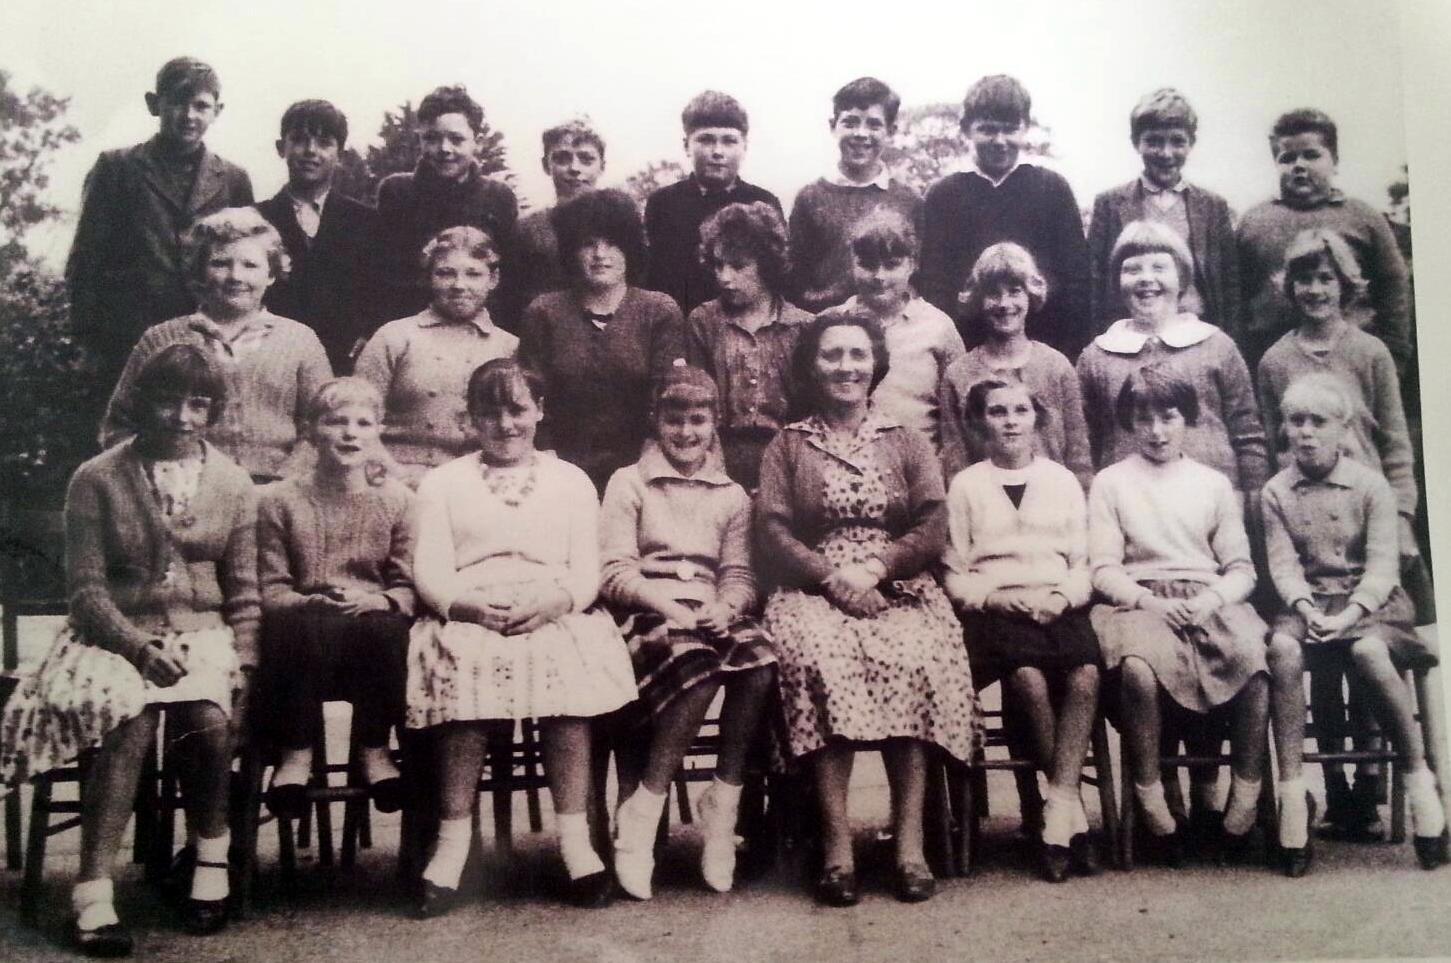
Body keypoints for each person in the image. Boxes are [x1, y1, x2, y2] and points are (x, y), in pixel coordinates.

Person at [0, 345, 258, 954]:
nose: (182, 416)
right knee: (130, 718)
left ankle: (209, 862)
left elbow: (245, 592)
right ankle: (93, 893)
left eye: (198, 403)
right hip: (111, 633)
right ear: (140, 402)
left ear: (214, 411)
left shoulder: (234, 484)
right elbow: (87, 593)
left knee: (207, 721)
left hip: (203, 633)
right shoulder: (96, 478)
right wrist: (139, 648)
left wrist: (246, 662)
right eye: (167, 400)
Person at [756, 312, 981, 907]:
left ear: (876, 363)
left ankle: (910, 846)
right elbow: (773, 530)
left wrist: (877, 568)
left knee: (916, 656)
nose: (846, 367)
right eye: (832, 355)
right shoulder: (788, 444)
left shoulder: (904, 439)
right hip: (812, 587)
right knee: (821, 658)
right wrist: (832, 578)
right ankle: (838, 849)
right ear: (812, 366)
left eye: (857, 354)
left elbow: (932, 524)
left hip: (896, 583)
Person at [407, 359, 636, 915]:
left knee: (565, 679)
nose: (505, 424)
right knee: (463, 667)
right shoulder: (442, 483)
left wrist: (558, 600)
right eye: (490, 412)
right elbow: (429, 568)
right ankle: (452, 846)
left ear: (540, 411)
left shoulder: (570, 480)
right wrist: (463, 605)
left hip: (552, 607)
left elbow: (586, 569)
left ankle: (576, 844)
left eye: (517, 409)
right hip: (470, 608)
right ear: (470, 418)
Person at [1256, 229, 1421, 838]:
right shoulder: (1274, 360)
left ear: (1345, 284)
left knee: (1367, 648)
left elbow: (1395, 444)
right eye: (1304, 278)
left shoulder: (1370, 352)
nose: (1315, 289)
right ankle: (1338, 789)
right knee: (1317, 664)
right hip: (1303, 523)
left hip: (1368, 517)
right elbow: (1274, 447)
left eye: (1325, 278)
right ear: (1290, 287)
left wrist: (1402, 520)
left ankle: (1373, 780)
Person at [599, 367, 777, 898]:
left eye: (698, 420)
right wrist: (667, 606)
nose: (686, 432)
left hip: (709, 612)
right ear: (655, 421)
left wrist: (727, 606)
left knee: (760, 663)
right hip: (646, 613)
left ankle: (723, 800)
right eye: (674, 420)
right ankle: (645, 805)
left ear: (714, 421)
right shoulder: (629, 482)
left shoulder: (731, 495)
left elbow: (739, 574)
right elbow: (614, 571)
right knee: (699, 670)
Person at [1261, 373, 1445, 873]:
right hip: (1308, 603)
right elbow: (1283, 565)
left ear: (1343, 429)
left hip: (1372, 605)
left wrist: (1350, 613)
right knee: (1281, 650)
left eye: (1318, 421)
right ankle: (1293, 798)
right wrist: (1306, 608)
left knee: (1368, 652)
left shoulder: (1370, 486)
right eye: (1296, 421)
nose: (1306, 432)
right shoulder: (1276, 491)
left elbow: (1384, 567)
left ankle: (1419, 782)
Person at [1087, 365, 1270, 863]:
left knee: (1252, 660)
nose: (1156, 430)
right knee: (1139, 669)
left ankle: (1242, 802)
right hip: (1139, 600)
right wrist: (1149, 602)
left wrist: (1211, 600)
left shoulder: (1212, 484)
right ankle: (1153, 804)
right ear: (1128, 421)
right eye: (1143, 417)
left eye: (1168, 417)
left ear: (1187, 418)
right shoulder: (1111, 482)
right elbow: (1103, 569)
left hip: (1207, 598)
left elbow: (1241, 569)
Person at [942, 379, 1100, 882]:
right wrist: (990, 597)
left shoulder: (1061, 481)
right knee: (1027, 678)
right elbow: (954, 572)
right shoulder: (967, 485)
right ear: (979, 422)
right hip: (996, 612)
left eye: (1020, 410)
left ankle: (1057, 807)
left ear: (1037, 418)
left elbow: (1083, 563)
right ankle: (1069, 819)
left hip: (1056, 603)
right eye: (997, 411)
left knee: (1086, 675)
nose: (1010, 421)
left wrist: (1062, 598)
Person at [255, 378, 415, 820]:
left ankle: (374, 749)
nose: (350, 434)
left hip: (368, 639)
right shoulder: (278, 500)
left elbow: (406, 586)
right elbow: (271, 589)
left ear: (379, 430)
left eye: (363, 423)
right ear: (310, 430)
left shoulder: (399, 501)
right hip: (302, 640)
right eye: (335, 422)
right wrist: (307, 602)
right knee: (299, 625)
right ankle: (296, 754)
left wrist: (380, 600)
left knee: (387, 629)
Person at [100, 207, 333, 484]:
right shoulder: (161, 339)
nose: (236, 276)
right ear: (200, 272)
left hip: (275, 491)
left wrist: (285, 485)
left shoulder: (300, 341)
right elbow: (118, 426)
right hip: (186, 491)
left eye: (250, 265)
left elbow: (324, 424)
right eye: (220, 264)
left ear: (271, 274)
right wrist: (161, 479)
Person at [65, 56, 254, 382]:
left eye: (201, 106)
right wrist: (87, 340)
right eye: (178, 102)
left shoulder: (233, 179)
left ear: (217, 111)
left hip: (206, 334)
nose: (189, 115)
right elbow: (86, 258)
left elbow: (248, 261)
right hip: (126, 338)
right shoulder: (117, 167)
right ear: (154, 104)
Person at [1077, 221, 1267, 497]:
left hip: (1210, 502)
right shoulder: (1097, 357)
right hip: (1128, 503)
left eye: (1159, 267)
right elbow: (1083, 444)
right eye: (1132, 269)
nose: (1146, 278)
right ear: (1118, 281)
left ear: (1182, 279)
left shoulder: (1217, 346)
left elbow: (1247, 434)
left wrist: (1252, 498)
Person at [518, 188, 687, 493]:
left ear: (630, 249)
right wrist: (549, 463)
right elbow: (530, 393)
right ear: (572, 251)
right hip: (557, 466)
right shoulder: (544, 312)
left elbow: (665, 396)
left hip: (641, 467)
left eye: (613, 244)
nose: (600, 254)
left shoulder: (658, 311)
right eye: (588, 244)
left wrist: (641, 474)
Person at [919, 75, 1090, 358]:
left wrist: (1062, 353)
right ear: (966, 128)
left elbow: (1076, 280)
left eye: (1010, 130)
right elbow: (934, 284)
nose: (1000, 141)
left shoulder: (1052, 189)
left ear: (1026, 128)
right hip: (966, 351)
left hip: (1043, 349)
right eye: (987, 130)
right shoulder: (943, 195)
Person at [1236, 108, 1413, 374]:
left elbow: (1392, 289)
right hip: (1273, 366)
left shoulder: (1364, 217)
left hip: (1351, 365)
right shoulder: (1253, 222)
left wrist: (1393, 357)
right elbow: (1236, 298)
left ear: (1335, 160)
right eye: (1287, 158)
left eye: (1311, 155)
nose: (1299, 165)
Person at [355, 226, 519, 488]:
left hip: (476, 484)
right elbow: (355, 420)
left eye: (473, 274)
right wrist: (398, 476)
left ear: (493, 279)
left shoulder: (509, 348)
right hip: (392, 480)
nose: (459, 285)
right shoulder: (395, 337)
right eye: (445, 273)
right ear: (429, 278)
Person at [939, 242, 1092, 488]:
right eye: (993, 293)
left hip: (1053, 503)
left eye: (1014, 291)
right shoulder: (958, 375)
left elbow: (1079, 459)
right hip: (985, 505)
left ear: (1030, 294)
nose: (1004, 303)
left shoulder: (1057, 367)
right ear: (978, 299)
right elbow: (955, 466)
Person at [684, 201, 812, 491]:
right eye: (718, 265)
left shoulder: (802, 327)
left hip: (790, 455)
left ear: (766, 265)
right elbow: (697, 400)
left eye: (738, 266)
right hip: (718, 457)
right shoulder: (704, 322)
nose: (724, 277)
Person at [1087, 88, 1239, 332]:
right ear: (1136, 143)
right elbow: (1095, 285)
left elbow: (1230, 288)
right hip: (1133, 331)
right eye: (1154, 141)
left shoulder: (1213, 207)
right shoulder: (1110, 204)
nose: (1166, 153)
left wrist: (1229, 341)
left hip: (1198, 330)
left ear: (1191, 143)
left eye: (1177, 141)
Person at [817, 209, 966, 452]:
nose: (879, 276)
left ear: (912, 264)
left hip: (919, 465)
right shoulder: (830, 324)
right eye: (868, 265)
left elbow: (958, 418)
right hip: (843, 463)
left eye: (891, 265)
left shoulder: (938, 327)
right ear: (852, 263)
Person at [372, 84, 519, 326]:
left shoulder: (498, 196)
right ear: (420, 139)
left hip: (478, 327)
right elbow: (381, 273)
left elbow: (508, 278)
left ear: (477, 142)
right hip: (410, 325)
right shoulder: (397, 192)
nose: (444, 149)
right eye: (432, 139)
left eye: (457, 139)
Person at [256, 99, 379, 371]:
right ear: (281, 147)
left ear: (341, 154)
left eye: (324, 143)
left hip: (345, 364)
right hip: (272, 360)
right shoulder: (256, 220)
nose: (310, 151)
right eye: (299, 140)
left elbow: (380, 295)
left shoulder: (368, 222)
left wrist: (368, 335)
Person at [787, 77, 923, 314]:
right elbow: (795, 278)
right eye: (850, 123)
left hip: (892, 326)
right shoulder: (810, 198)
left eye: (874, 125)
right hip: (827, 324)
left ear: (890, 131)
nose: (861, 133)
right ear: (833, 126)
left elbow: (919, 276)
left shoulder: (909, 200)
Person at [645, 91, 783, 315]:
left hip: (743, 323)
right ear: (686, 145)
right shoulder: (663, 203)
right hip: (676, 322)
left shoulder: (762, 203)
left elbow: (775, 278)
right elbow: (654, 279)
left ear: (744, 146)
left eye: (729, 141)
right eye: (706, 140)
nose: (718, 152)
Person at [511, 118, 607, 316]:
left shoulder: (621, 227)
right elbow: (512, 297)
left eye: (586, 159)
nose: (574, 168)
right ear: (546, 165)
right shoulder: (527, 229)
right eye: (562, 159)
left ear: (602, 166)